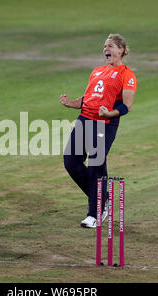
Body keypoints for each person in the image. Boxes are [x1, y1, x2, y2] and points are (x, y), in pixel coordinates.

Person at [60, 34, 137, 228]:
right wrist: (71, 104)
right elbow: (88, 98)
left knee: (95, 166)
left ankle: (94, 213)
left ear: (121, 50)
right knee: (71, 161)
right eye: (104, 46)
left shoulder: (127, 74)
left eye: (110, 46)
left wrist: (110, 113)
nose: (106, 49)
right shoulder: (97, 71)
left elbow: (127, 106)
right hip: (84, 119)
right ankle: (104, 199)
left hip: (105, 124)